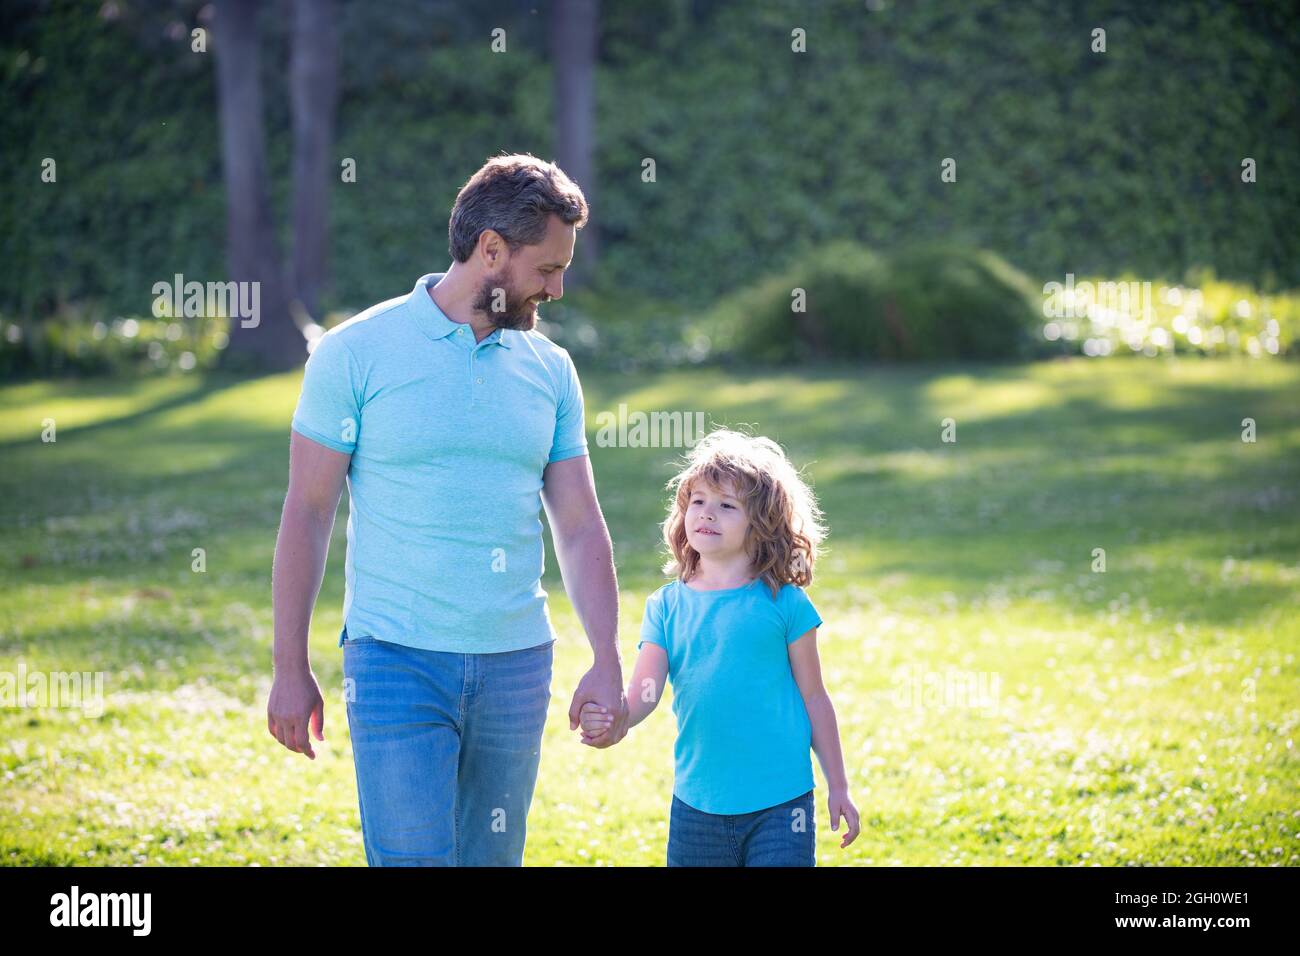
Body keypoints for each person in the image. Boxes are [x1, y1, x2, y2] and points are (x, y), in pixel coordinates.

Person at [267, 153, 630, 866]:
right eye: (547, 269)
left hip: (516, 668)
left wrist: (607, 657)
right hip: (394, 661)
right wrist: (288, 665)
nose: (557, 288)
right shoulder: (355, 354)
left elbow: (581, 525)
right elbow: (308, 512)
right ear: (490, 249)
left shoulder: (550, 370)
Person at [579, 428, 860, 865]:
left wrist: (838, 785)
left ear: (761, 523)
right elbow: (645, 693)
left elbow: (814, 697)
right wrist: (618, 720)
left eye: (727, 505)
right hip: (697, 804)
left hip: (781, 803)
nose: (707, 513)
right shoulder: (666, 606)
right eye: (698, 502)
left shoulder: (784, 602)